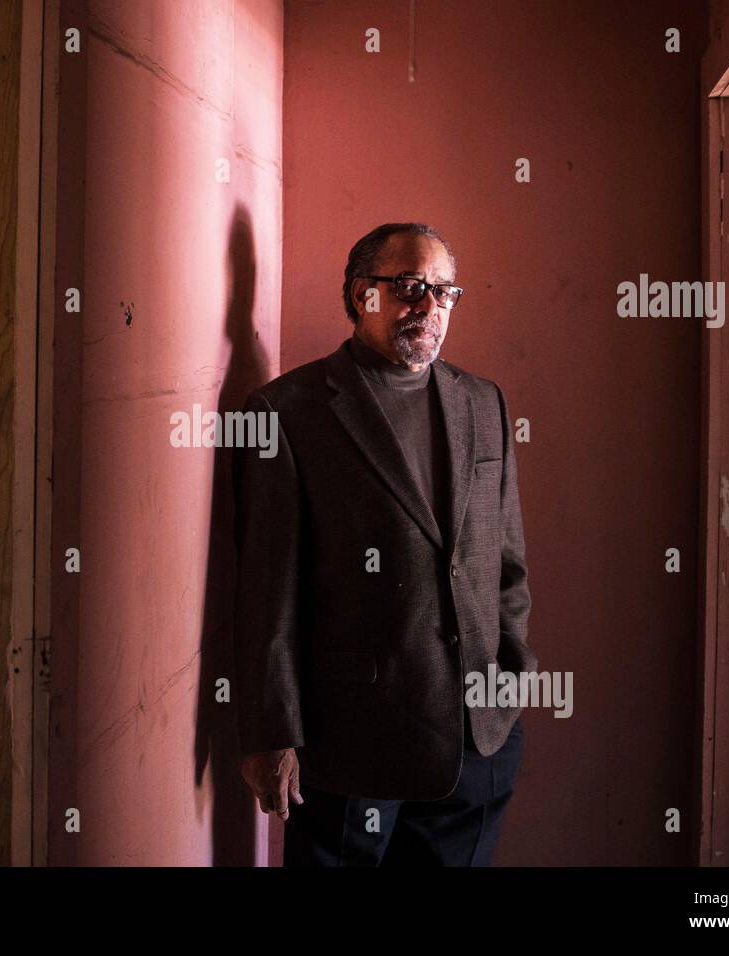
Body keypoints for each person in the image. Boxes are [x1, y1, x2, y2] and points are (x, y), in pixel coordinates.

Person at [232, 222, 536, 866]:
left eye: (444, 291)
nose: (428, 306)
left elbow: (507, 566)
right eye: (408, 286)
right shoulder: (286, 412)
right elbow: (268, 589)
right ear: (358, 294)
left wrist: (509, 685)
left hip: (476, 739)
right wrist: (272, 731)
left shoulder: (484, 403)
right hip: (351, 743)